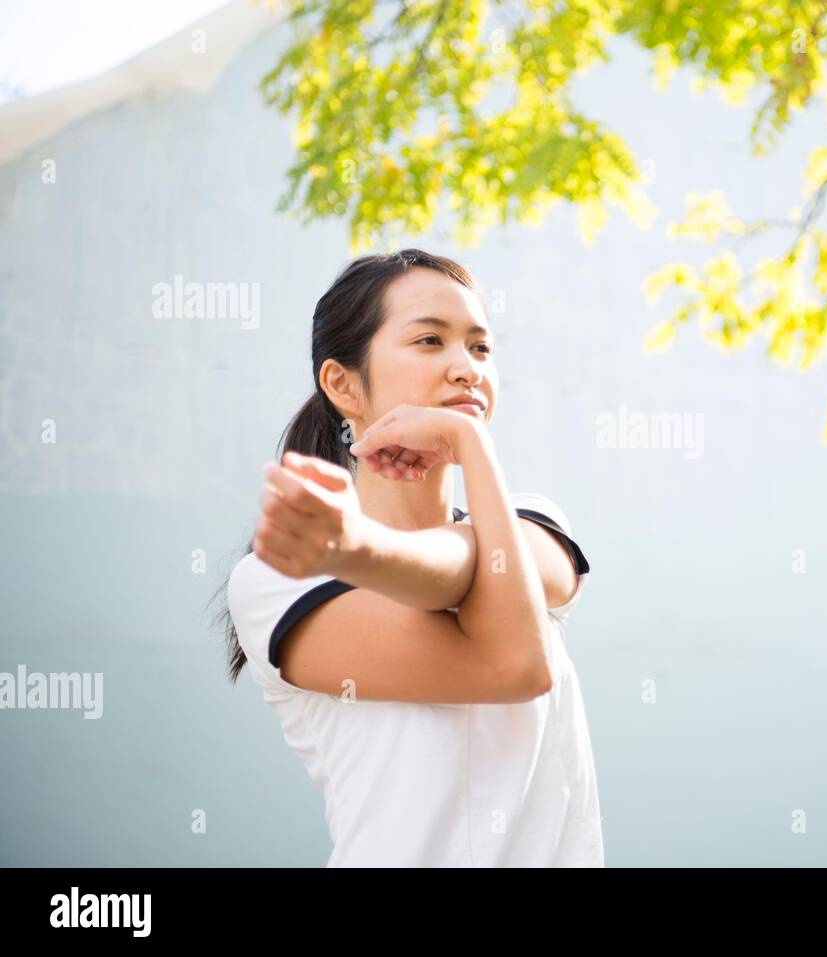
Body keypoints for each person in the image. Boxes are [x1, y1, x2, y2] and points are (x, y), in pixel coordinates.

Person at [219, 249, 603, 866]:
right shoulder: (278, 581)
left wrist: (467, 445)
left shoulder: (534, 524)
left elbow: (470, 572)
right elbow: (516, 666)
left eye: (481, 348)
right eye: (430, 340)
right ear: (343, 384)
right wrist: (348, 553)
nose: (466, 368)